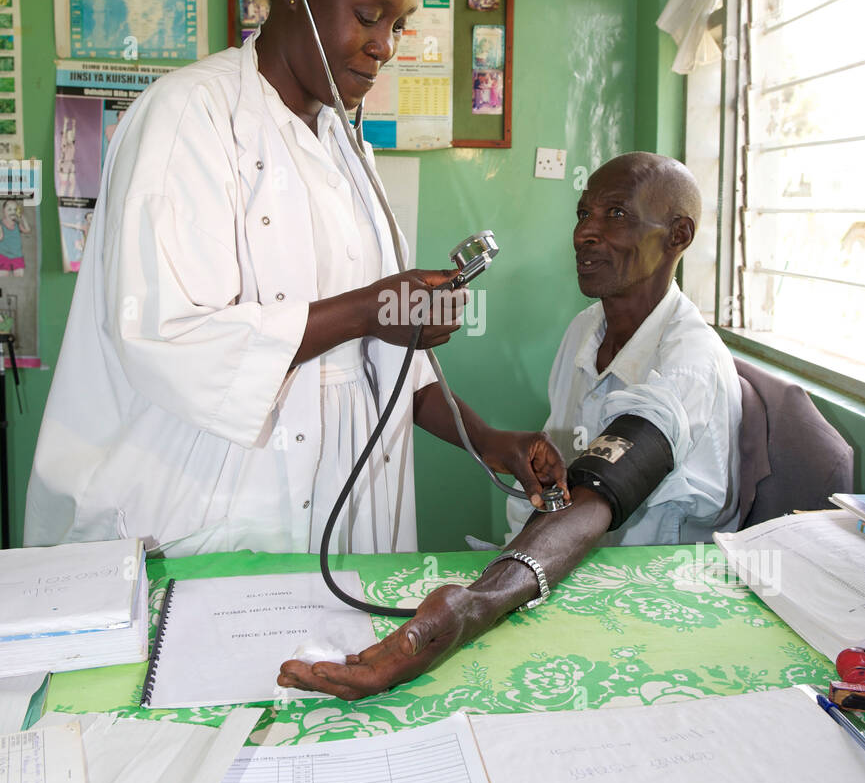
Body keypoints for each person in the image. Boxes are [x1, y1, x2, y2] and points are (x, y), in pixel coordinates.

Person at [24, 0, 565, 555]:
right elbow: (170, 340)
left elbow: (378, 356)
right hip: (194, 521)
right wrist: (372, 306)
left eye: (398, 25)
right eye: (368, 16)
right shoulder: (188, 117)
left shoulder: (345, 146)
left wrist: (483, 437)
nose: (385, 46)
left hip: (337, 521)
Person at [278, 151, 742, 700]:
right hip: (562, 572)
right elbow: (574, 486)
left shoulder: (689, 363)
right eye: (582, 213)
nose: (584, 233)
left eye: (614, 215)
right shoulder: (586, 331)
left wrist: (476, 605)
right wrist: (535, 467)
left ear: (678, 235)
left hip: (650, 597)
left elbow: (602, 491)